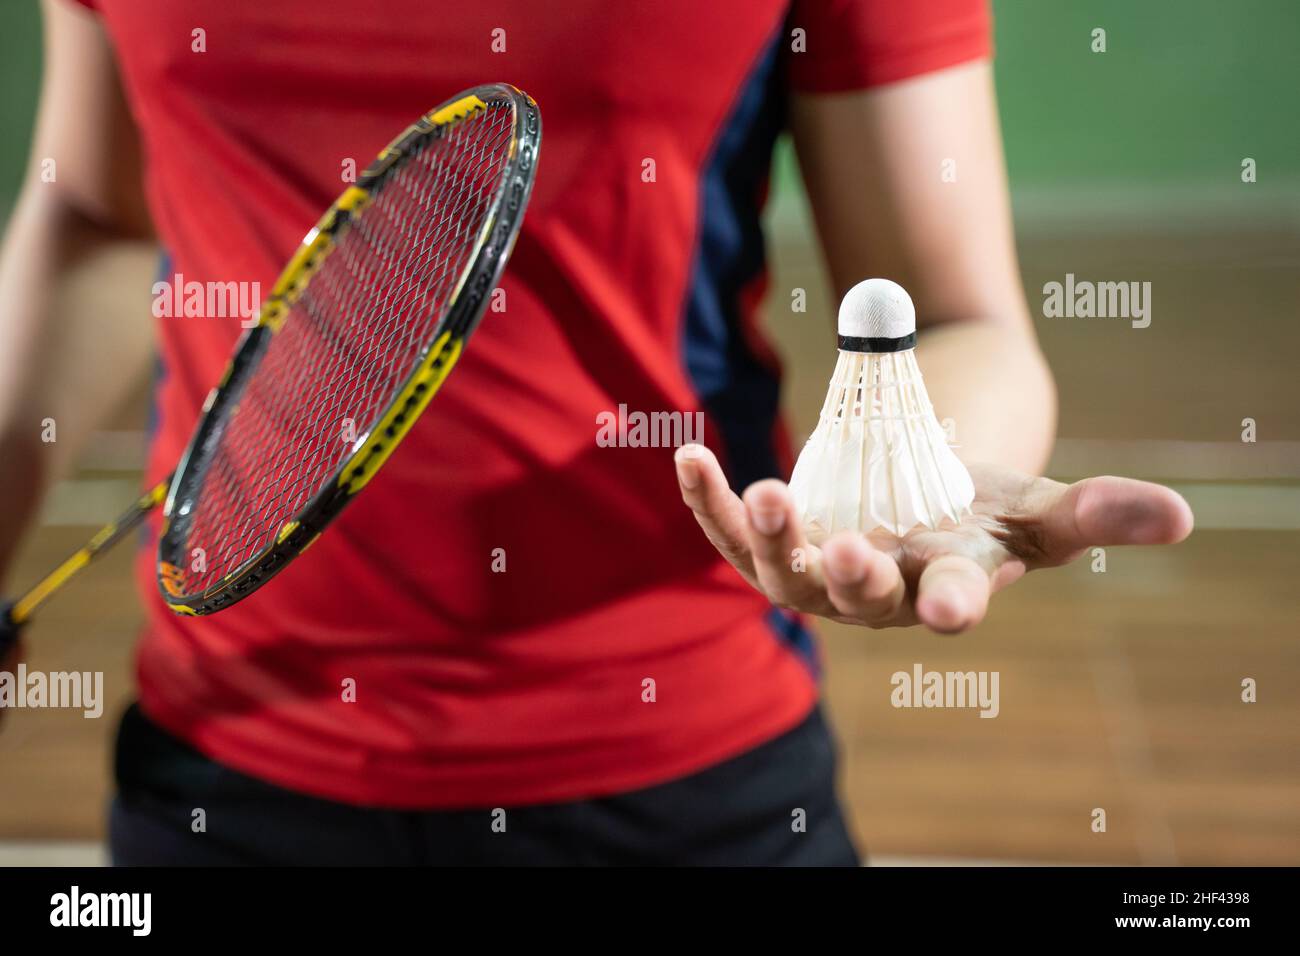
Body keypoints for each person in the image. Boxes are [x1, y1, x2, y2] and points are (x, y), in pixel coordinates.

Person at [0, 0, 1192, 865]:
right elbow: (93, 211)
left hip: (680, 774)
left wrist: (921, 485)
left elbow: (950, 313)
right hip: (218, 761)